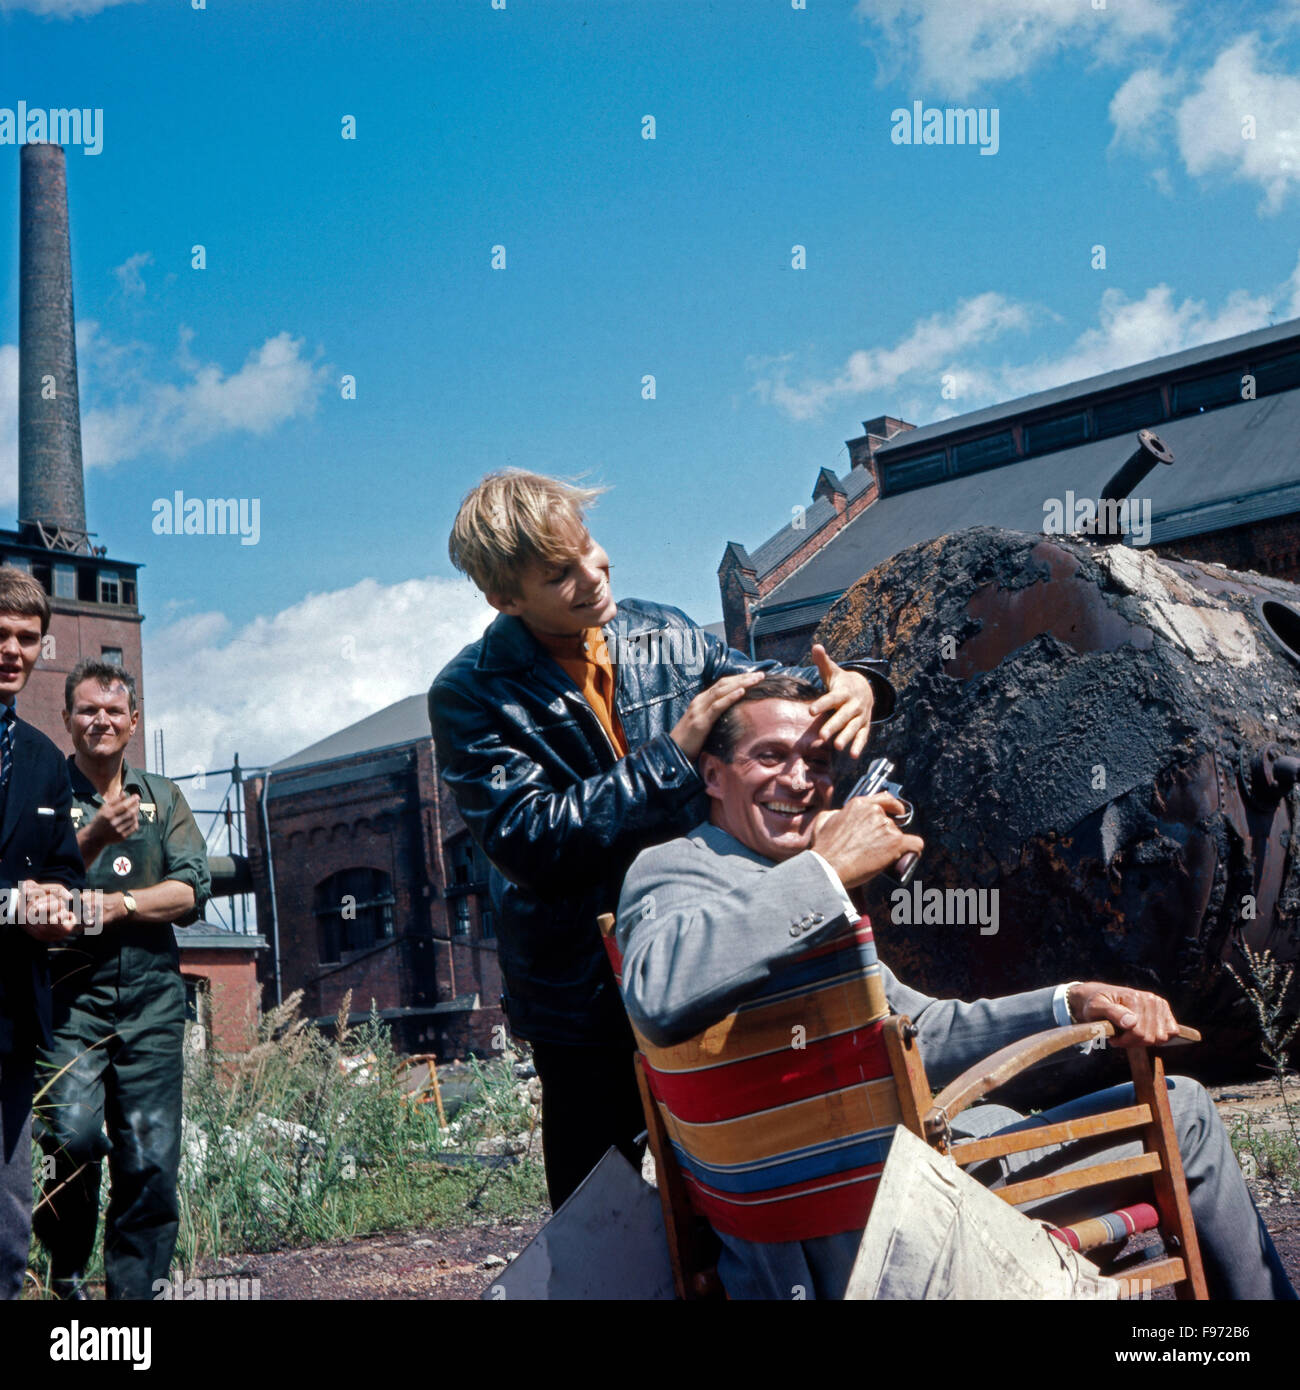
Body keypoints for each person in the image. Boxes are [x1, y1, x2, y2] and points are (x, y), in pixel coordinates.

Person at [614, 674, 1296, 1300]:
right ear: (711, 775)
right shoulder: (678, 871)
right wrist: (825, 871)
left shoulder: (779, 880)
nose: (799, 781)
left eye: (818, 764)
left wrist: (1071, 1001)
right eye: (770, 757)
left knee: (1009, 1120)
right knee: (1186, 1113)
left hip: (831, 1219)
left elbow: (919, 1032)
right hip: (881, 1229)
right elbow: (655, 989)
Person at [428, 470, 896, 1209]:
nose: (592, 578)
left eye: (591, 551)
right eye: (560, 574)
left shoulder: (666, 634)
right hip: (582, 998)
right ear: (503, 599)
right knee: (600, 1208)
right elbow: (530, 841)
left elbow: (776, 694)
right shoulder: (469, 694)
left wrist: (863, 684)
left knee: (742, 1167)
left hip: (703, 947)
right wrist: (672, 759)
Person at [33, 659, 210, 1300]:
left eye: (113, 710)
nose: (100, 721)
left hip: (152, 999)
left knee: (152, 1157)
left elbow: (191, 888)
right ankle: (68, 1274)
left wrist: (120, 905)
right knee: (70, 1134)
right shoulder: (43, 794)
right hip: (68, 998)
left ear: (134, 721)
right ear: (67, 721)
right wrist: (91, 836)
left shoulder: (162, 798)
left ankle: (133, 1303)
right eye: (86, 710)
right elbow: (30, 890)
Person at [0, 568, 84, 1301]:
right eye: (0, 633)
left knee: (6, 1219)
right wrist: (11, 904)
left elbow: (66, 874)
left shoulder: (44, 762)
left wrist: (61, 905)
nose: (13, 650)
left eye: (27, 637)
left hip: (12, 1021)